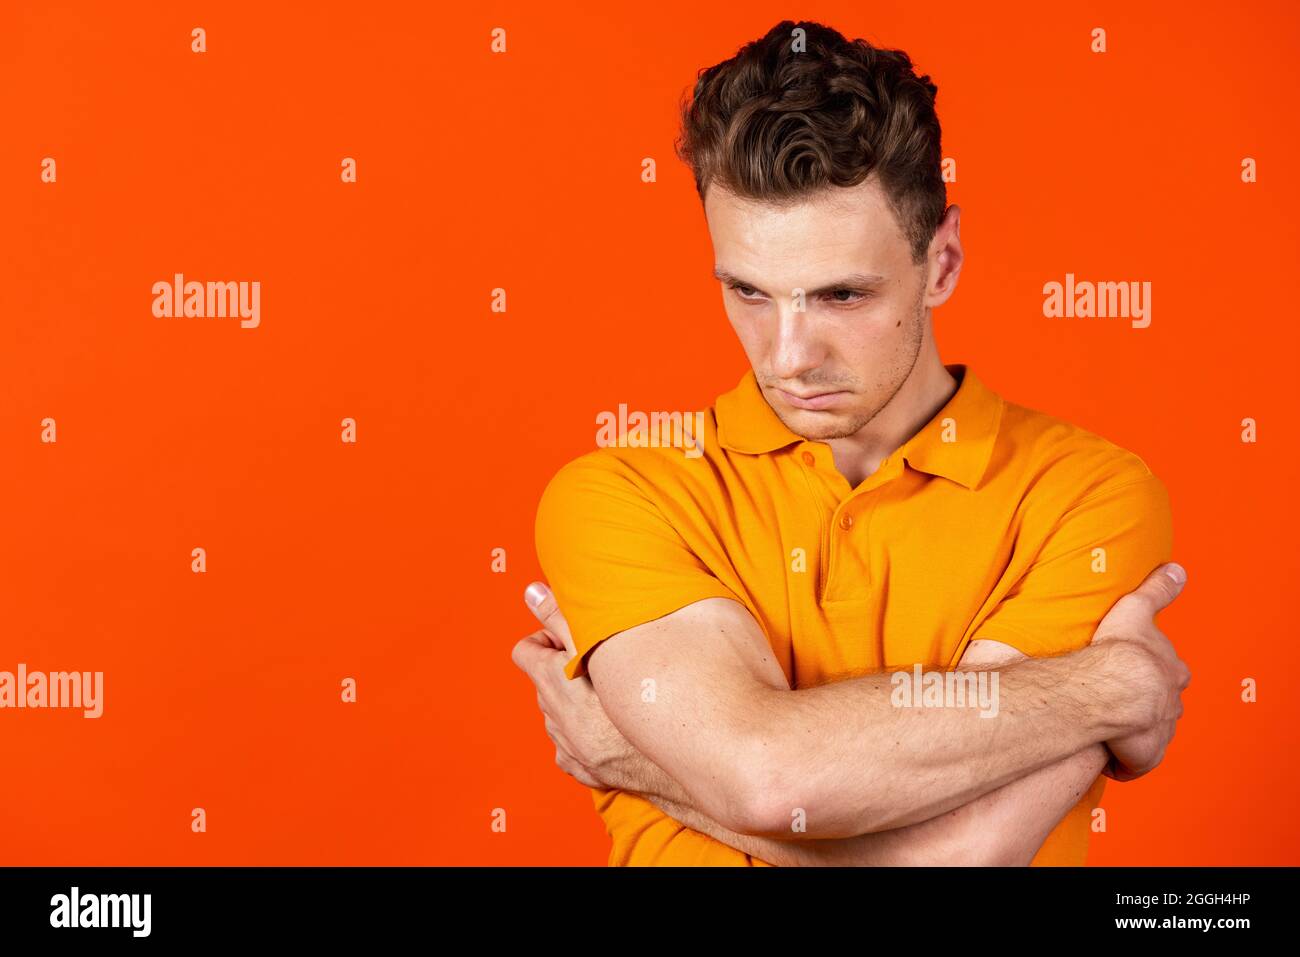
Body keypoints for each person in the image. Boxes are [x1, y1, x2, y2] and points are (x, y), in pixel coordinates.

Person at [511, 19, 1190, 866]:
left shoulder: (1087, 495)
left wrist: (637, 764)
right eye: (750, 292)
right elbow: (770, 779)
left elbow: (964, 857)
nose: (788, 355)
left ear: (940, 264)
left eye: (840, 296)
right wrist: (1108, 689)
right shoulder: (625, 496)